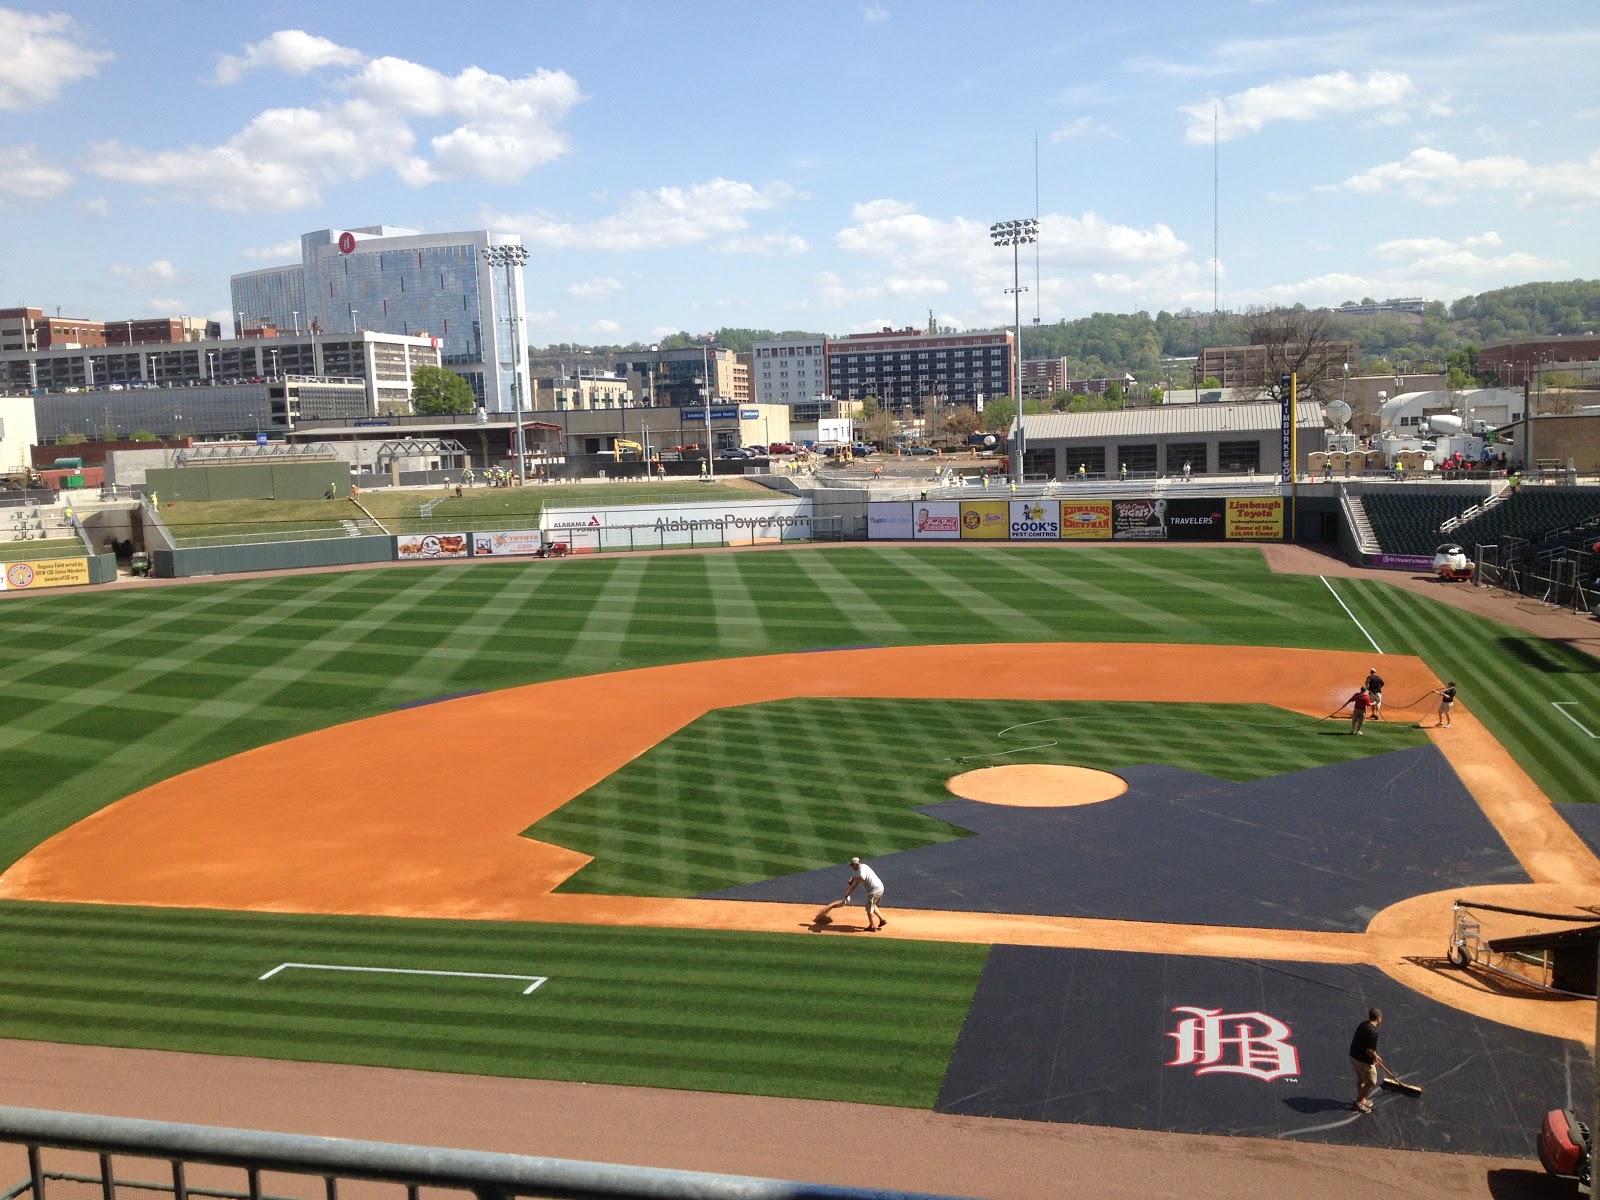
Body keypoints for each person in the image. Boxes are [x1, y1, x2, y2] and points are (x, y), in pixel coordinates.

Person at [1349, 1008, 1385, 1114]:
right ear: (1379, 1019)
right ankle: (1359, 1102)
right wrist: (1374, 1057)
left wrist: (1375, 1055)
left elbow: (1364, 1044)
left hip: (1354, 1057)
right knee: (1371, 1082)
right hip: (1363, 1061)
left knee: (1361, 1079)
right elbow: (1369, 1050)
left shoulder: (1363, 1025)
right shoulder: (1373, 1032)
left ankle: (1363, 1099)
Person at [844, 856, 887, 931]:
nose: (852, 867)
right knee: (872, 905)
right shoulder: (863, 868)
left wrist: (853, 878)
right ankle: (882, 920)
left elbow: (862, 877)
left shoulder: (862, 869)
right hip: (880, 888)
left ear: (856, 864)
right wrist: (847, 894)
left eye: (852, 865)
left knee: (869, 908)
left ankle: (872, 926)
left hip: (874, 890)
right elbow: (855, 885)